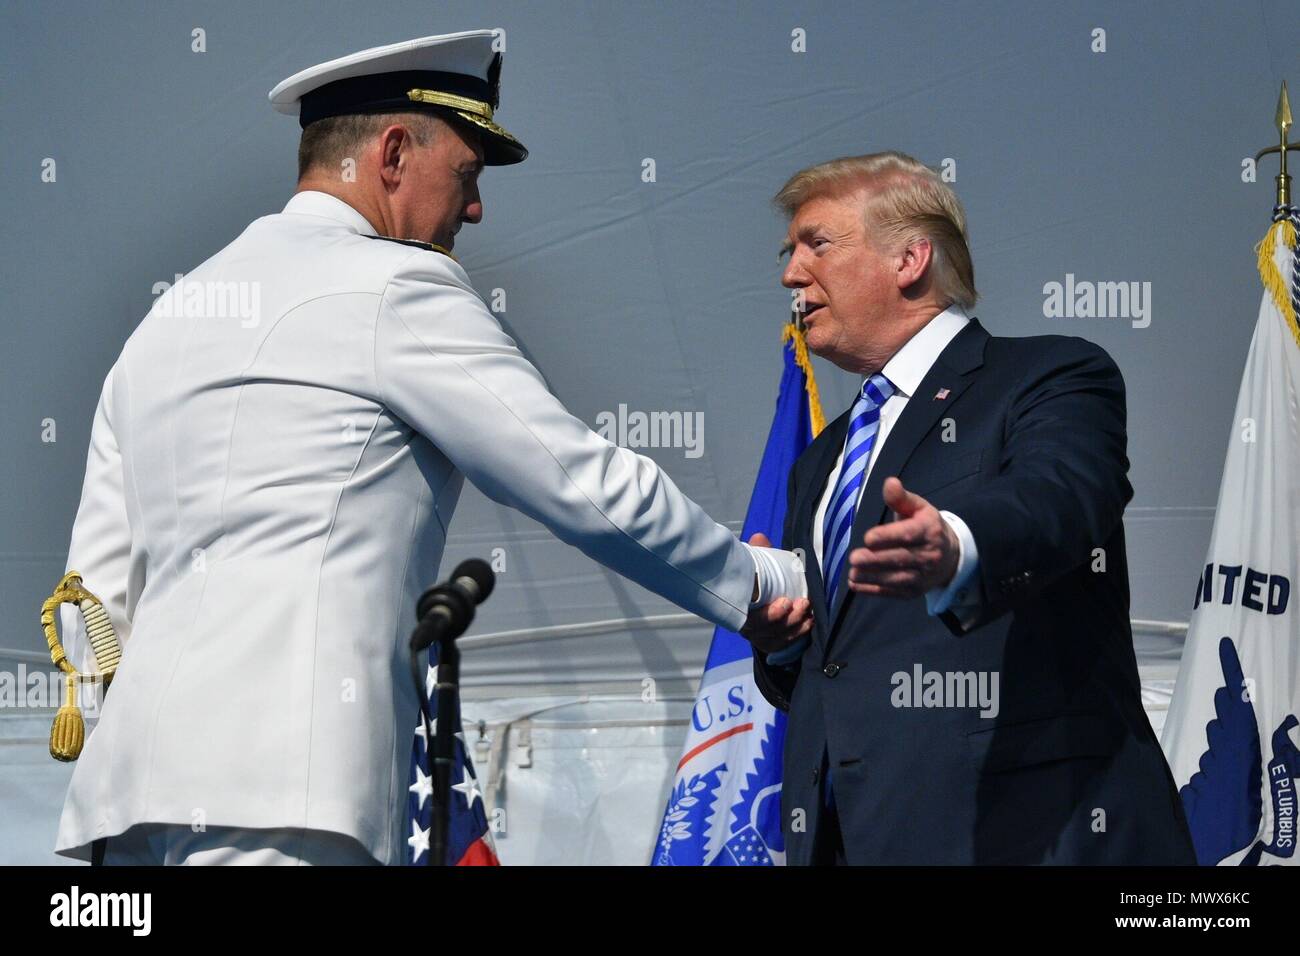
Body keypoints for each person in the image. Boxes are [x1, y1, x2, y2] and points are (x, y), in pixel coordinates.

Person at [52, 30, 808, 866]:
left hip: (124, 808)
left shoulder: (165, 323)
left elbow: (93, 596)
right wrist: (758, 583)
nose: (475, 209)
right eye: (469, 174)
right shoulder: (392, 285)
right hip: (290, 793)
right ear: (392, 152)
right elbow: (578, 481)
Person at [745, 151, 1196, 864]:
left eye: (817, 244)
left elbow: (1061, 498)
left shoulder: (1050, 376)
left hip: (1028, 839)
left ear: (910, 259)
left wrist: (958, 545)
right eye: (789, 251)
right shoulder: (821, 463)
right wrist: (788, 642)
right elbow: (839, 672)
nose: (791, 274)